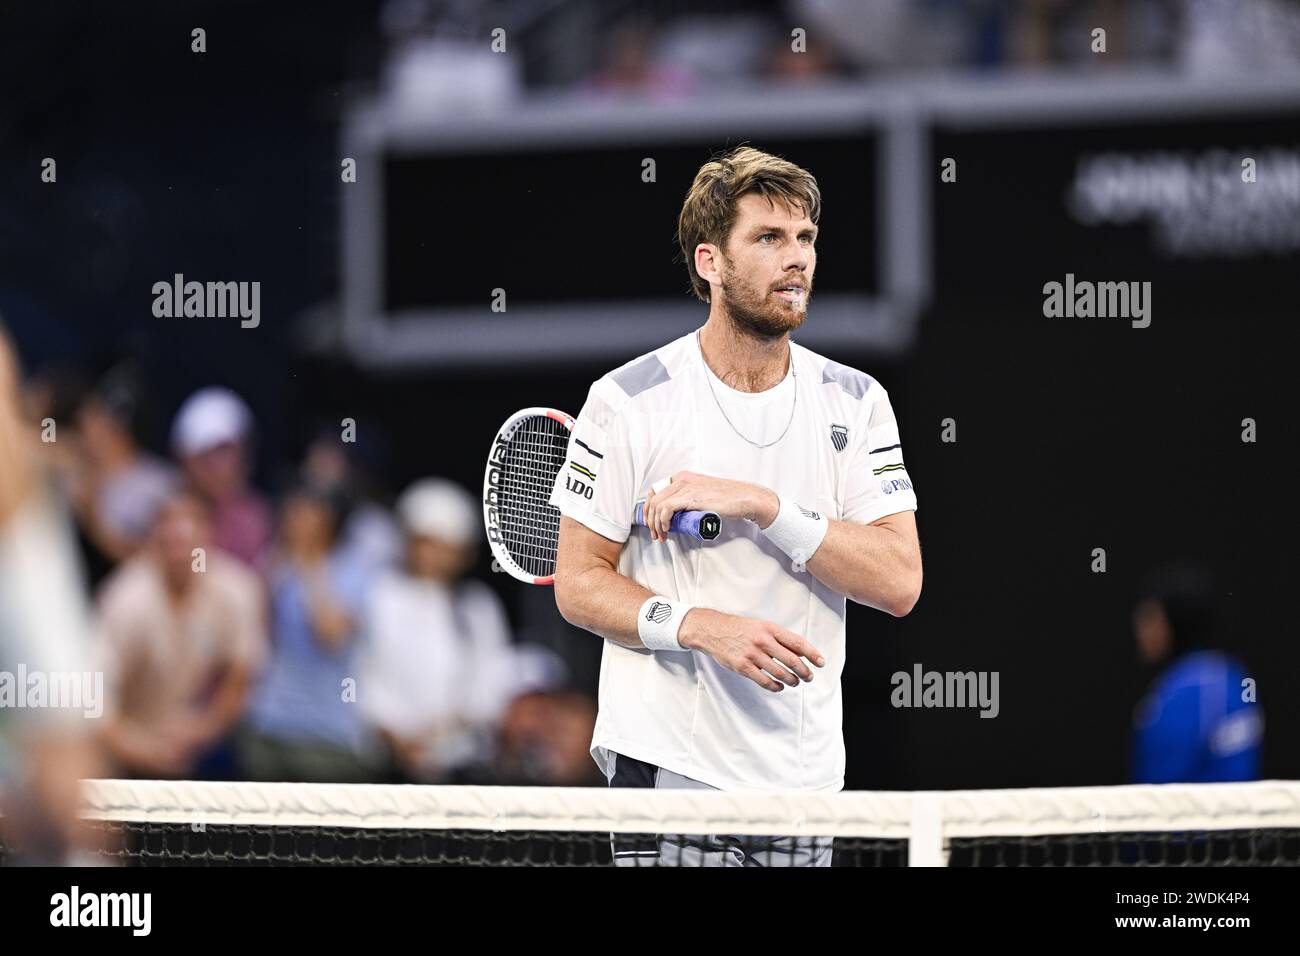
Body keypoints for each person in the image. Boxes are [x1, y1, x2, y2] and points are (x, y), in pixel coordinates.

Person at [549, 146, 922, 866]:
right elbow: (579, 582)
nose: (798, 259)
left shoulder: (858, 401)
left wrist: (763, 504)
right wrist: (697, 626)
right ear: (710, 262)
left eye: (806, 238)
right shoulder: (628, 400)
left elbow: (899, 580)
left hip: (806, 779)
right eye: (769, 238)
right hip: (671, 764)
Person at [358, 479, 526, 783]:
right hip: (389, 765)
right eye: (428, 543)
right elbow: (364, 676)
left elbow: (493, 681)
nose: (436, 556)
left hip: (465, 766)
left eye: (448, 547)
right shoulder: (381, 595)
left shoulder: (480, 606)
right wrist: (398, 739)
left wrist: (450, 731)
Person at [97, 488, 266, 778]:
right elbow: (90, 700)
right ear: (154, 541)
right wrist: (137, 747)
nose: (180, 550)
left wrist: (204, 727)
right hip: (123, 742)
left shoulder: (237, 590)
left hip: (193, 742)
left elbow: (242, 671)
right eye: (169, 539)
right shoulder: (123, 601)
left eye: (189, 539)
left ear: (210, 538)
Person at [238, 483, 383, 782]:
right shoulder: (274, 564)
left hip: (328, 735)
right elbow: (259, 636)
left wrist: (310, 565)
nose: (295, 520)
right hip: (270, 726)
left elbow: (330, 635)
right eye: (291, 511)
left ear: (328, 520)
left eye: (306, 512)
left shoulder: (356, 570)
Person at [1132, 561, 1262, 783]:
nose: (1139, 628)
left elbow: (1160, 790)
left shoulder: (1184, 692)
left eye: (1149, 617)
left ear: (1173, 619)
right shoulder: (1231, 676)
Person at [170, 386, 272, 569]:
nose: (216, 466)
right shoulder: (171, 518)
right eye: (204, 457)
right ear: (185, 460)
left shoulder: (256, 518)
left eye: (224, 452)